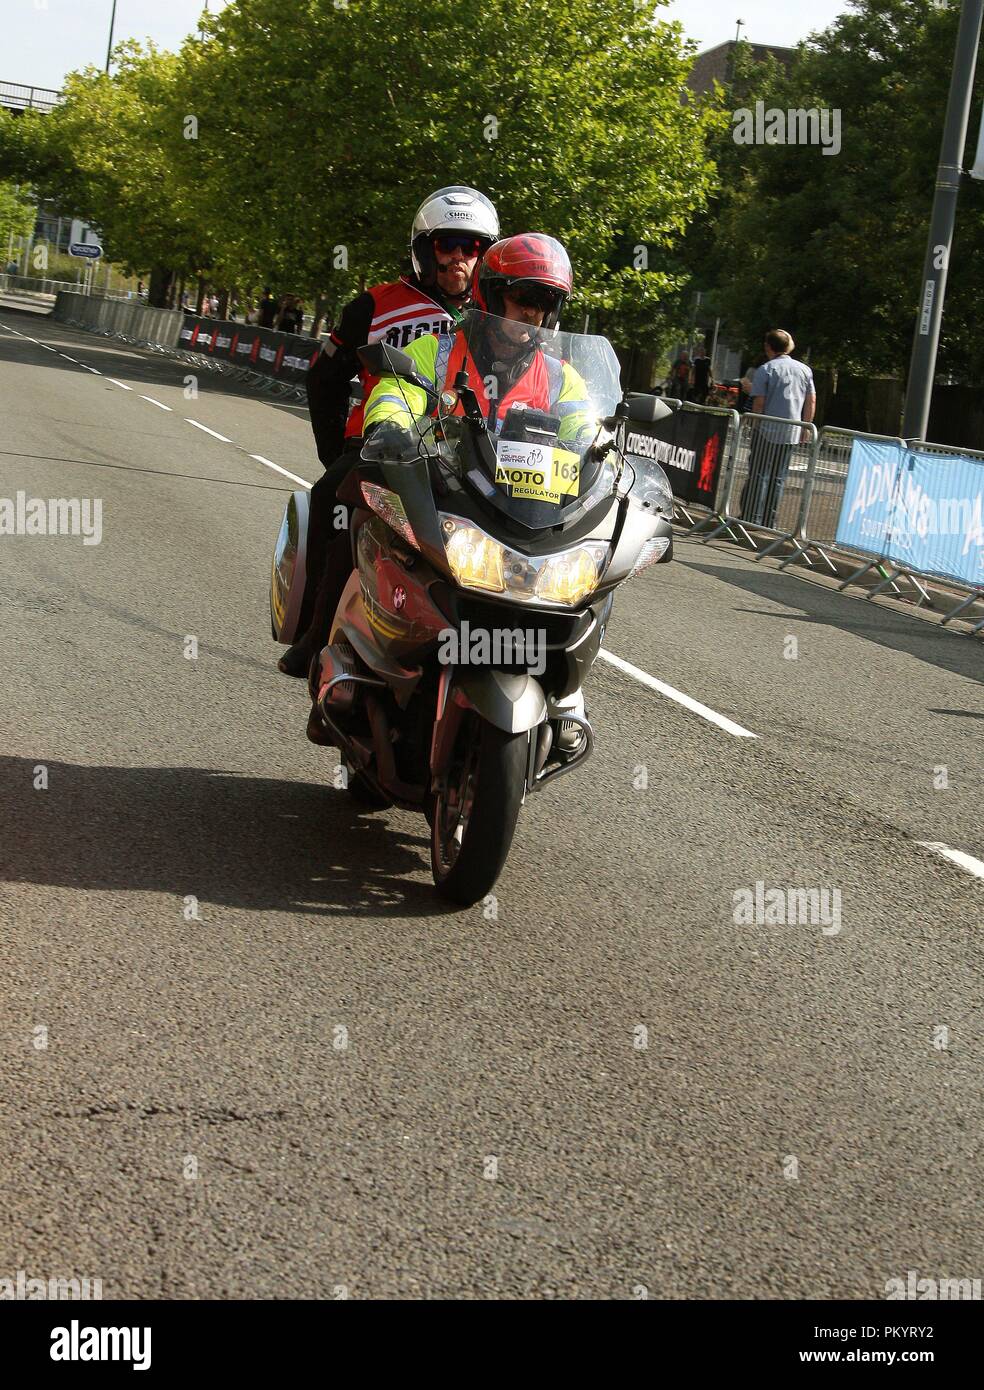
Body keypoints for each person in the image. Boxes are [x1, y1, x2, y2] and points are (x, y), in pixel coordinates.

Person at [278, 185, 500, 676]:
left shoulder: (496, 318)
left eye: (472, 246)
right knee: (333, 501)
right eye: (448, 244)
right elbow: (324, 378)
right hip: (385, 444)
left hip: (470, 451)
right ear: (424, 249)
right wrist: (336, 449)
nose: (459, 257)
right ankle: (316, 633)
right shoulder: (374, 306)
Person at [739, 328, 816, 528]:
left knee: (758, 473)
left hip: (766, 429)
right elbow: (811, 400)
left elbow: (759, 403)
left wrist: (754, 423)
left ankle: (751, 517)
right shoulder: (804, 370)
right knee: (778, 477)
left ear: (768, 347)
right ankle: (769, 520)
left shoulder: (767, 369)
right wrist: (806, 426)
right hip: (790, 430)